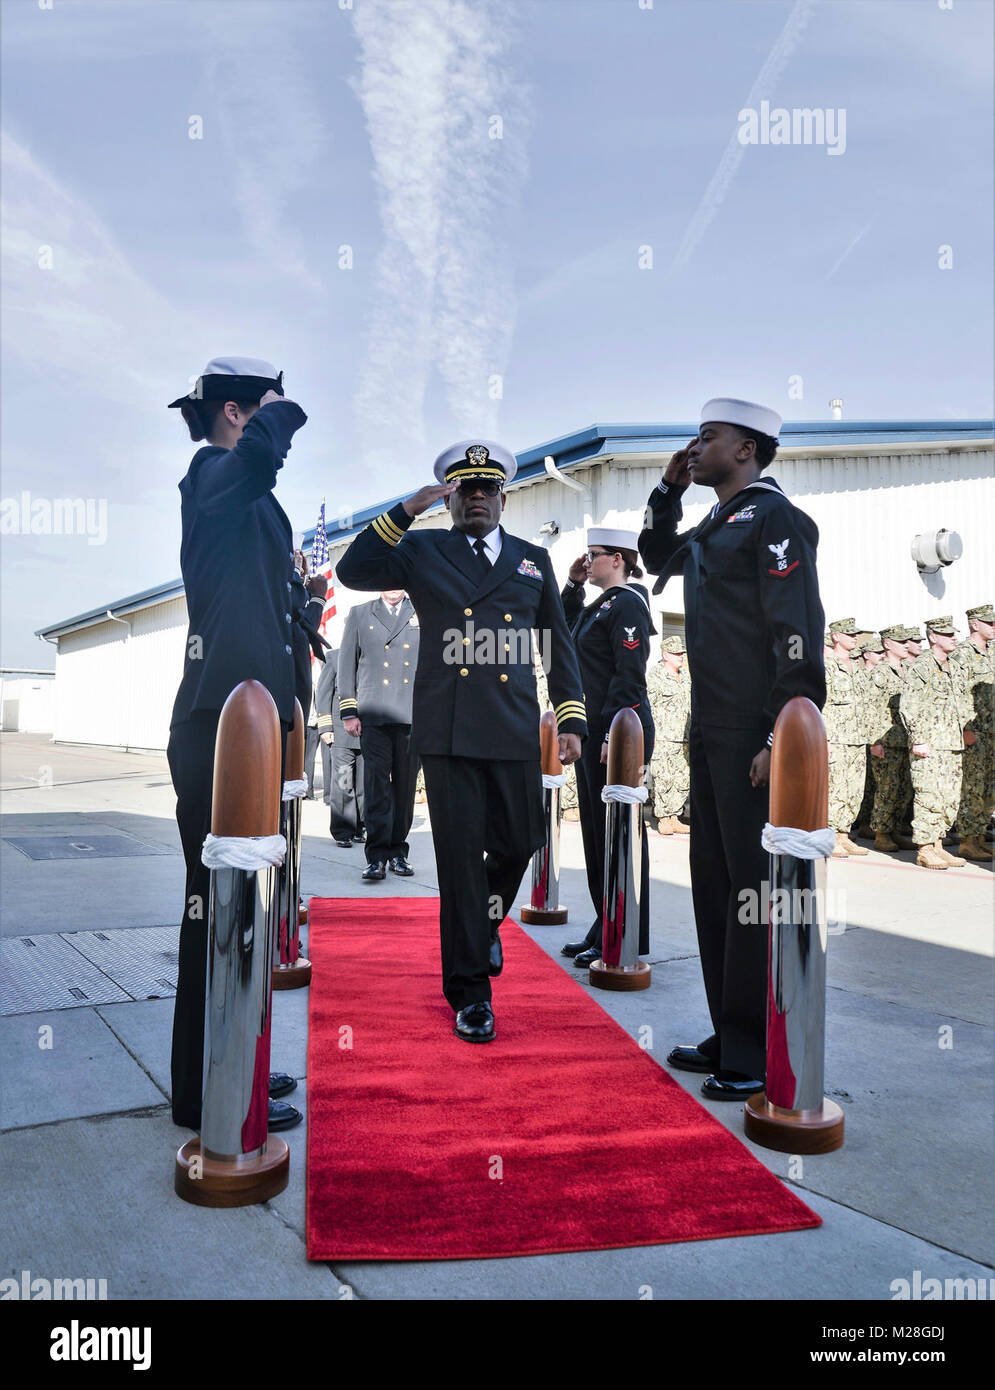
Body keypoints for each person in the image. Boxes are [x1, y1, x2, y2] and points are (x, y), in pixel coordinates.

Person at [335, 439, 586, 1042]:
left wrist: (571, 716)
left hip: (512, 723)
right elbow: (352, 571)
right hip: (447, 730)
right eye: (465, 490)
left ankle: (486, 923)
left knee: (521, 840)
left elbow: (556, 638)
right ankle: (470, 992)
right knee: (457, 861)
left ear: (503, 496)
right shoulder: (422, 548)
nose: (477, 498)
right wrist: (404, 511)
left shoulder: (531, 560)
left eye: (487, 489)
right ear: (452, 499)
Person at [638, 398, 825, 1100]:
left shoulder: (773, 518)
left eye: (707, 436)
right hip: (711, 729)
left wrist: (783, 729)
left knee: (752, 891)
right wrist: (666, 493)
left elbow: (795, 624)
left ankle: (752, 1048)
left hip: (752, 729)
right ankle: (731, 1027)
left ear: (746, 448)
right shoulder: (719, 519)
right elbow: (657, 558)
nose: (695, 444)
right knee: (717, 887)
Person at [165, 357, 310, 1132]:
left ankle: (239, 1057)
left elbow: (268, 604)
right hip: (216, 733)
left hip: (252, 735)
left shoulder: (247, 497)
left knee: (246, 909)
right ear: (235, 412)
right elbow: (259, 457)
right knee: (213, 911)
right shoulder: (212, 473)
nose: (275, 421)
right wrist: (281, 414)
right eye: (263, 408)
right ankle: (201, 1089)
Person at [559, 528, 655, 968]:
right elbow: (559, 632)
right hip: (594, 730)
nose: (587, 560)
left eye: (593, 555)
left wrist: (617, 732)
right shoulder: (599, 606)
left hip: (618, 730)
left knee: (619, 835)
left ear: (617, 559)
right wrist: (573, 584)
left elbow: (629, 672)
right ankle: (606, 921)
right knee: (598, 834)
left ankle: (624, 929)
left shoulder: (629, 603)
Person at [337, 591, 419, 879]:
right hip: (374, 713)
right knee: (376, 786)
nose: (393, 587)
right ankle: (376, 856)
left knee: (405, 788)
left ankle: (398, 852)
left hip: (411, 712)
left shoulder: (421, 607)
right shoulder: (361, 613)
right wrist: (349, 710)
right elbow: (346, 663)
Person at [901, 617, 971, 870]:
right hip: (930, 743)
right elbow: (910, 705)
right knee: (928, 795)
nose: (953, 637)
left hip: (952, 742)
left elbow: (963, 703)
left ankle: (939, 844)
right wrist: (918, 738)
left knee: (948, 798)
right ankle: (924, 849)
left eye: (954, 634)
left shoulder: (954, 666)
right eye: (947, 634)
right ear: (933, 637)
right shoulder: (922, 666)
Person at [824, 619, 869, 859]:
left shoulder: (857, 667)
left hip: (857, 737)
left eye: (856, 634)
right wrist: (824, 738)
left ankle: (844, 833)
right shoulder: (827, 667)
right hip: (836, 737)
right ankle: (829, 835)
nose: (854, 638)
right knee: (835, 788)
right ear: (835, 637)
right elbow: (819, 704)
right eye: (849, 634)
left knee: (854, 789)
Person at [314, 640, 365, 846]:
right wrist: (325, 728)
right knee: (344, 783)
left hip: (368, 734)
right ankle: (343, 830)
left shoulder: (372, 656)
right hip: (341, 734)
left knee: (364, 786)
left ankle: (361, 827)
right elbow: (323, 693)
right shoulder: (334, 657)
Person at [953, 603, 993, 862]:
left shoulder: (990, 653)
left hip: (991, 731)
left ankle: (978, 835)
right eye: (990, 623)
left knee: (988, 787)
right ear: (974, 624)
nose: (994, 627)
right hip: (975, 732)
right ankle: (967, 840)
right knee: (972, 787)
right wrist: (963, 729)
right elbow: (955, 696)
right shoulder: (962, 655)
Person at [867, 626, 912, 852]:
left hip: (905, 739)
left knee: (904, 789)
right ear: (887, 644)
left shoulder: (908, 670)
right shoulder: (880, 672)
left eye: (906, 641)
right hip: (886, 741)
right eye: (900, 641)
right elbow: (871, 709)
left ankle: (894, 829)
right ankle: (881, 833)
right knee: (887, 788)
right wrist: (874, 742)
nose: (906, 644)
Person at [647, 635, 691, 835]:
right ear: (665, 655)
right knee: (663, 778)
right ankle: (664, 818)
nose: (680, 656)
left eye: (681, 652)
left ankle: (674, 816)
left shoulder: (685, 677)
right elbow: (648, 706)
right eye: (675, 653)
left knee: (682, 778)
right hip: (663, 736)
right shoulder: (655, 676)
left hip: (684, 736)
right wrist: (651, 732)